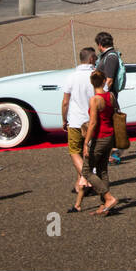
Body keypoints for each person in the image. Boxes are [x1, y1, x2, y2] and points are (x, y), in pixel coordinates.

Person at [74, 70, 119, 215]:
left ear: (92, 83)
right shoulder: (110, 96)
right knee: (102, 170)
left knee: (86, 171)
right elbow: (116, 113)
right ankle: (104, 204)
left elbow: (92, 123)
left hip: (99, 138)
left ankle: (108, 198)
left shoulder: (95, 100)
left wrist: (86, 142)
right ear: (105, 81)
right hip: (110, 136)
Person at [61, 47, 97, 194]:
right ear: (90, 59)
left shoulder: (71, 77)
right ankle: (82, 181)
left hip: (75, 120)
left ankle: (86, 179)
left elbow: (65, 102)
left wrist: (64, 119)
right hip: (92, 120)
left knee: (74, 152)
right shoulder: (96, 75)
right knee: (89, 152)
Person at [94, 31, 126, 165]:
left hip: (108, 96)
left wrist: (102, 95)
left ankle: (112, 154)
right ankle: (110, 153)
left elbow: (109, 80)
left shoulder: (110, 57)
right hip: (108, 95)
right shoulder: (109, 55)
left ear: (100, 45)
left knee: (109, 124)